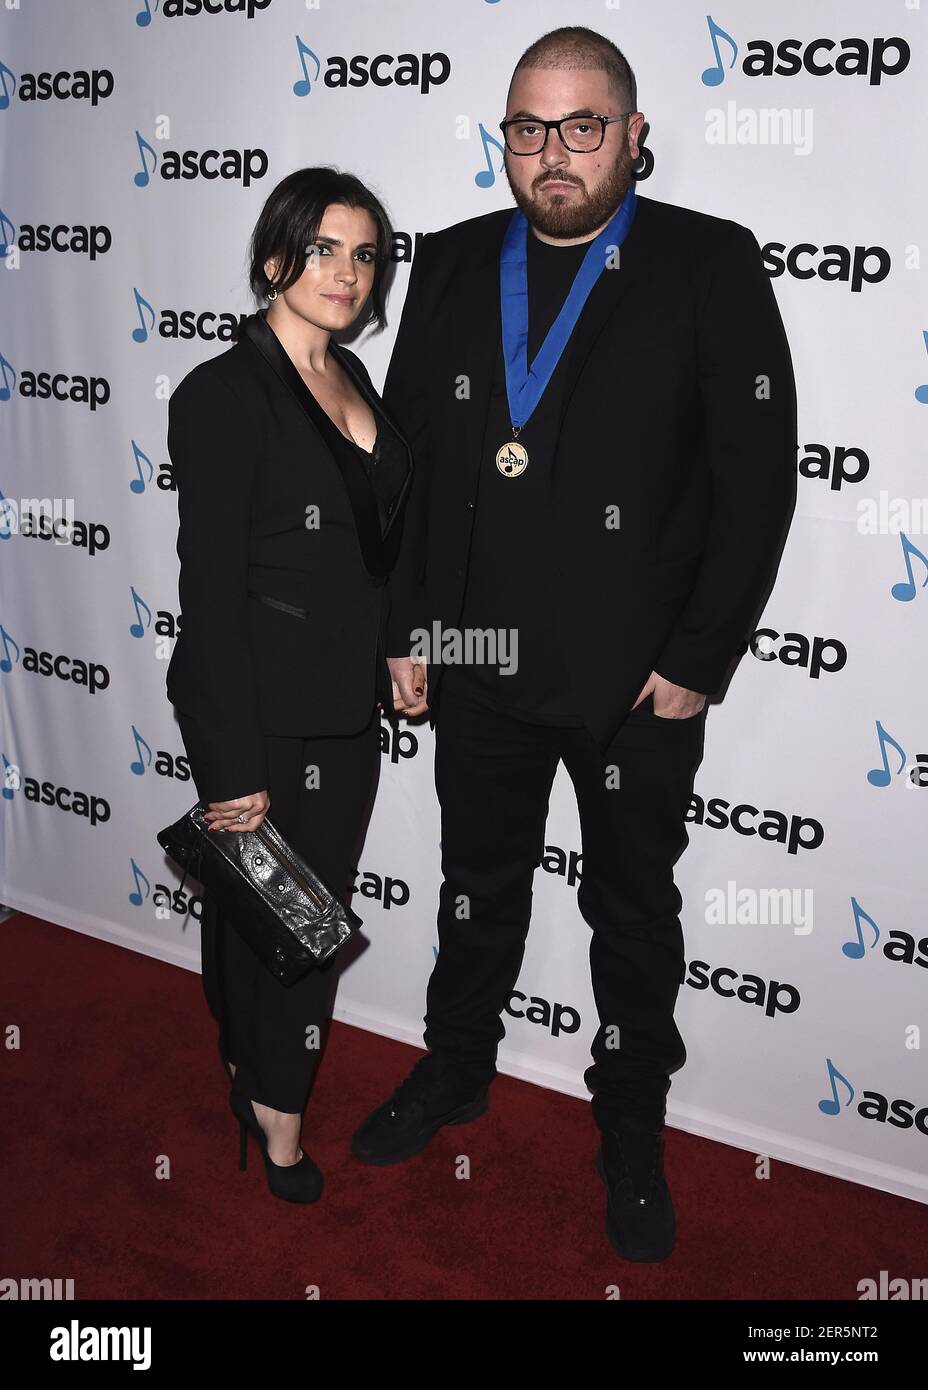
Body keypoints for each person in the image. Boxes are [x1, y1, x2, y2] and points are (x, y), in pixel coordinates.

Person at [351, 27, 797, 1261]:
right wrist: (406, 627)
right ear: (504, 137)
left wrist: (697, 660)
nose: (553, 155)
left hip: (632, 681)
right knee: (472, 894)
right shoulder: (444, 265)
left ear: (634, 135)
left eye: (582, 126)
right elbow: (410, 470)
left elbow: (753, 482)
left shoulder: (707, 264)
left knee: (631, 914)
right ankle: (454, 1070)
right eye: (527, 128)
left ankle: (632, 1128)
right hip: (477, 657)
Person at [164, 167, 412, 1203]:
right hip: (260, 713)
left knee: (285, 916)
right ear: (274, 259)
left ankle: (243, 1059)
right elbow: (210, 594)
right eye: (322, 248)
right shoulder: (222, 394)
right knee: (296, 931)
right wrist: (230, 766)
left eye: (364, 254)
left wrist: (404, 641)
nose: (345, 272)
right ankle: (276, 1108)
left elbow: (379, 547)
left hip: (346, 713)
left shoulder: (356, 380)